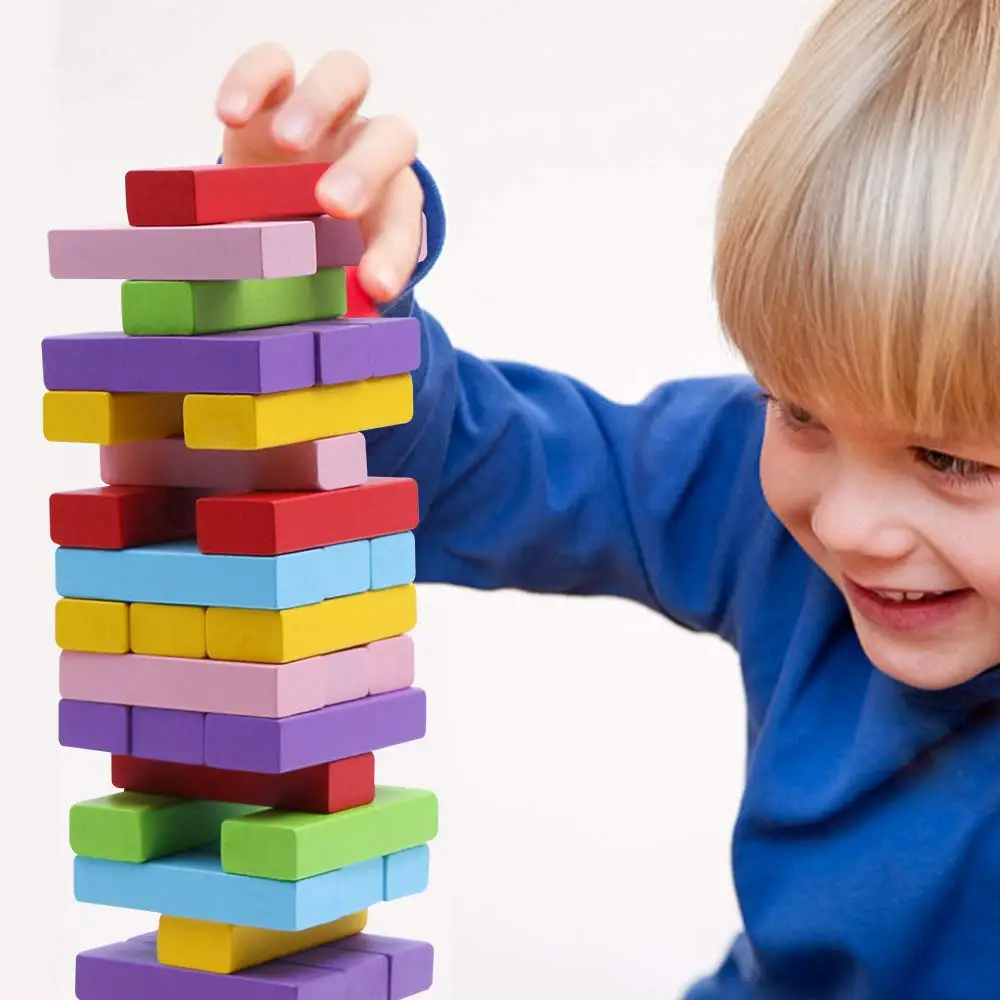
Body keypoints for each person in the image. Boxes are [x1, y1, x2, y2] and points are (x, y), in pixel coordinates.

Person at [213, 3, 1000, 997]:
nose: (843, 523)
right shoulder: (752, 507)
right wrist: (325, 303)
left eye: (946, 457)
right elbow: (467, 470)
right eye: (797, 411)